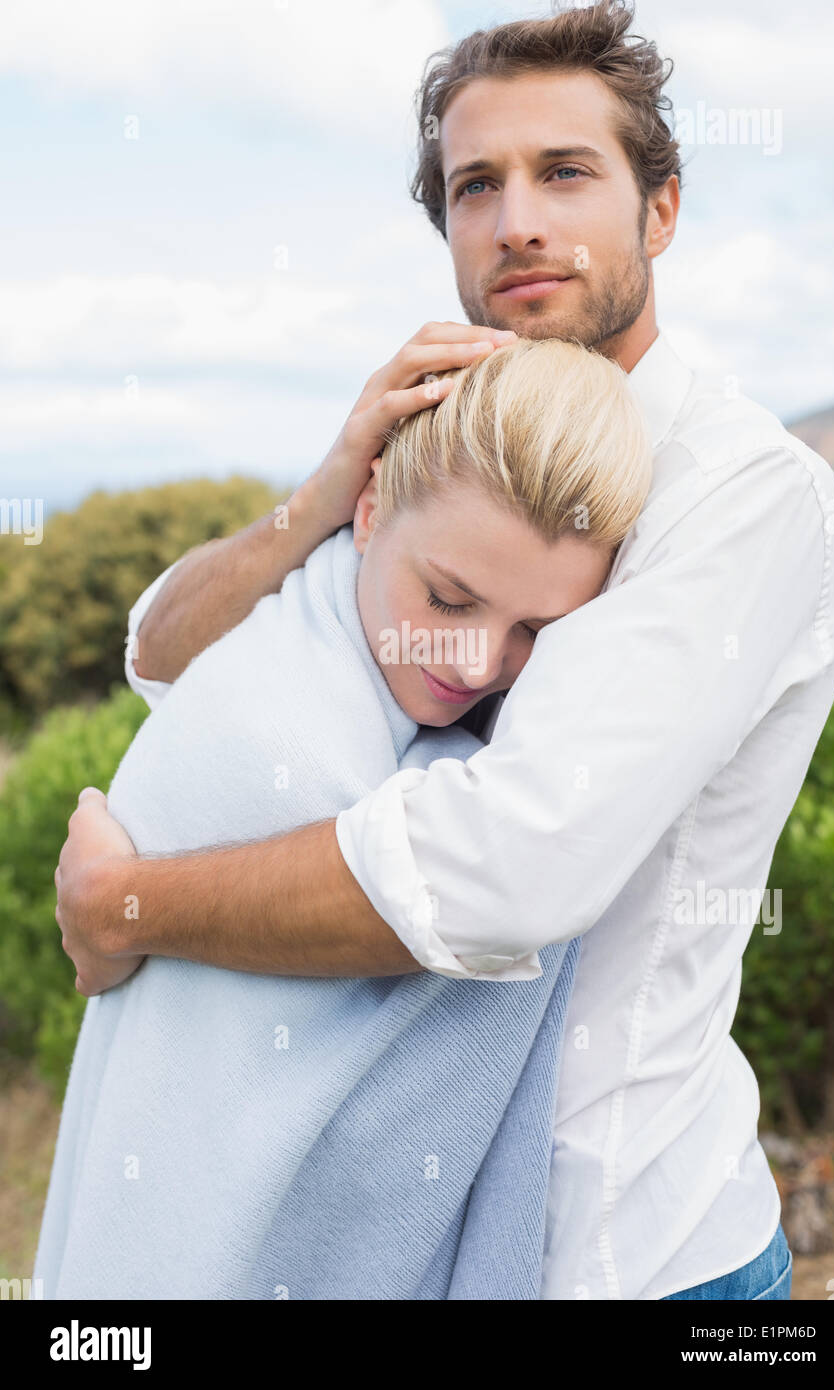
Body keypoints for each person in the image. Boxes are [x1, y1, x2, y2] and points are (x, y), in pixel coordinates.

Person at [54, 2, 834, 1300]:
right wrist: (318, 499)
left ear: (661, 210)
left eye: (565, 172)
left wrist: (128, 904)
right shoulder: (449, 439)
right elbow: (165, 658)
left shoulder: (741, 491)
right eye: (474, 185)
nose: (516, 219)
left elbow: (501, 863)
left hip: (627, 1252)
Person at [36, 339, 652, 1299]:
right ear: (365, 514)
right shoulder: (278, 737)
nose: (480, 662)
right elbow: (155, 652)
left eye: (539, 631)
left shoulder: (372, 645)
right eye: (448, 599)